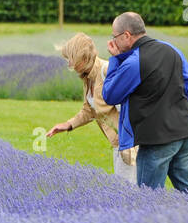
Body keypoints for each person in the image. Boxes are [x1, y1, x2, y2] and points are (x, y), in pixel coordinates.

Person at [101, 11, 188, 195]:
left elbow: (110, 95)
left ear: (126, 36)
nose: (113, 42)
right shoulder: (172, 50)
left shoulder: (134, 62)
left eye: (114, 37)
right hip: (186, 133)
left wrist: (116, 60)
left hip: (156, 141)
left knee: (149, 199)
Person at [45, 33, 137, 184]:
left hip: (129, 144)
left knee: (128, 193)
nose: (69, 64)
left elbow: (133, 102)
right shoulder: (88, 78)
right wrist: (68, 125)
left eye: (71, 59)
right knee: (125, 191)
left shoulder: (107, 70)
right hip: (118, 144)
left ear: (85, 58)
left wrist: (128, 140)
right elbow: (89, 110)